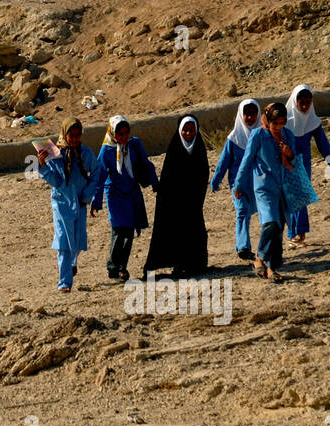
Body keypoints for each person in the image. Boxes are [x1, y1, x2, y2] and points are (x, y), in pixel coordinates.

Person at [234, 102, 300, 282]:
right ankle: (259, 258)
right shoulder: (258, 135)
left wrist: (290, 154)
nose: (279, 127)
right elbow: (246, 161)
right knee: (270, 222)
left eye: (282, 123)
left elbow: (294, 165)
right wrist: (238, 185)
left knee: (279, 228)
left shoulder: (288, 135)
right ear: (267, 120)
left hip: (283, 188)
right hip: (264, 188)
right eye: (275, 123)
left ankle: (271, 268)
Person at [37, 118, 101, 293]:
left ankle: (72, 264)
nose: (74, 139)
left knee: (78, 239)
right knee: (64, 242)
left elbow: (96, 173)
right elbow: (55, 181)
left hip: (80, 202)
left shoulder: (86, 154)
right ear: (64, 134)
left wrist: (88, 195)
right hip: (62, 203)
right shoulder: (55, 155)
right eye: (71, 135)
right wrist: (42, 165)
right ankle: (65, 282)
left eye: (77, 135)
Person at [92, 115, 158, 282]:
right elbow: (100, 176)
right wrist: (96, 201)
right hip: (114, 194)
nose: (123, 137)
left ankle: (121, 267)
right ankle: (114, 265)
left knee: (128, 231)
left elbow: (145, 163)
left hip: (132, 192)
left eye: (126, 132)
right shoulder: (107, 150)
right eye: (119, 133)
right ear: (113, 133)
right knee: (119, 229)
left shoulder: (134, 144)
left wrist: (155, 183)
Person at [144, 116, 209, 278]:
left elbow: (203, 175)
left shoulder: (199, 149)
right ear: (180, 131)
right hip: (174, 203)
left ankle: (192, 265)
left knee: (194, 232)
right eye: (185, 130)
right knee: (173, 232)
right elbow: (168, 179)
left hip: (193, 202)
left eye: (191, 130)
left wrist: (196, 197)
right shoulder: (174, 150)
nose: (188, 133)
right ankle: (174, 265)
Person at [284, 84, 330, 247]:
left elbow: (323, 144)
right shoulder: (284, 120)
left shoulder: (313, 121)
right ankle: (296, 233)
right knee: (295, 197)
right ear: (295, 102)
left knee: (300, 196)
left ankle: (297, 233)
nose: (305, 106)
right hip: (286, 163)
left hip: (304, 163)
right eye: (302, 103)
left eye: (308, 102)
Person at [211, 99, 261, 261]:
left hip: (257, 182)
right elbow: (223, 162)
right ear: (241, 115)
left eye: (254, 114)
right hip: (237, 184)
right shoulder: (233, 139)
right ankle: (243, 247)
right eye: (247, 114)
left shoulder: (262, 135)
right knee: (242, 212)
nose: (251, 118)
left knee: (260, 213)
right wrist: (216, 180)